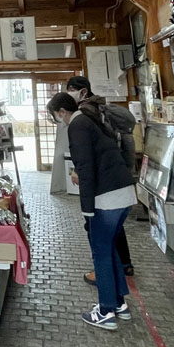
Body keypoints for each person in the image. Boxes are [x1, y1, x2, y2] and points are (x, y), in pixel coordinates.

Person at [49, 90, 135, 330]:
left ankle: (106, 310)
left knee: (101, 252)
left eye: (56, 115)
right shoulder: (91, 120)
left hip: (105, 199)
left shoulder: (77, 126)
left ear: (62, 112)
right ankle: (119, 303)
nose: (58, 120)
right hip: (124, 193)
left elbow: (85, 168)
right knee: (109, 249)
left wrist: (87, 210)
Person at [66, 76, 136, 282]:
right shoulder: (100, 107)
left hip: (103, 179)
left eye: (71, 89)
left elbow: (90, 149)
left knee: (98, 228)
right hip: (117, 177)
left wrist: (80, 169)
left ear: (83, 92)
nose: (69, 93)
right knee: (113, 226)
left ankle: (105, 275)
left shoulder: (86, 112)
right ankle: (124, 264)